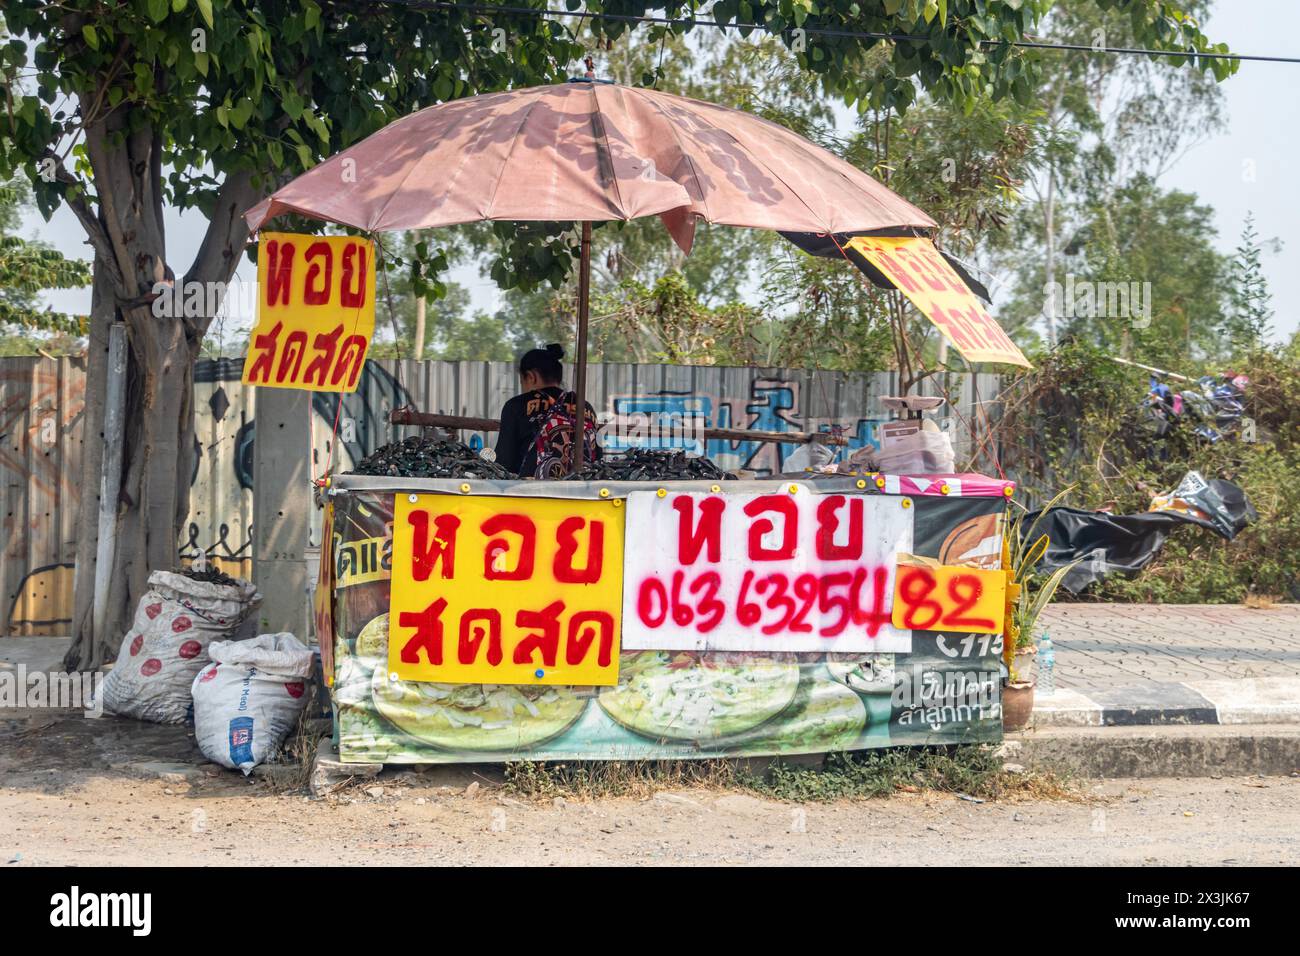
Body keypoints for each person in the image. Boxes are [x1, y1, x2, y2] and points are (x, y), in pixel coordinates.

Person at [495, 343, 600, 477]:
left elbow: (503, 463)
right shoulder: (585, 407)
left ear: (531, 377)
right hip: (583, 490)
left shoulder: (516, 406)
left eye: (522, 381)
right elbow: (597, 458)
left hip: (531, 493)